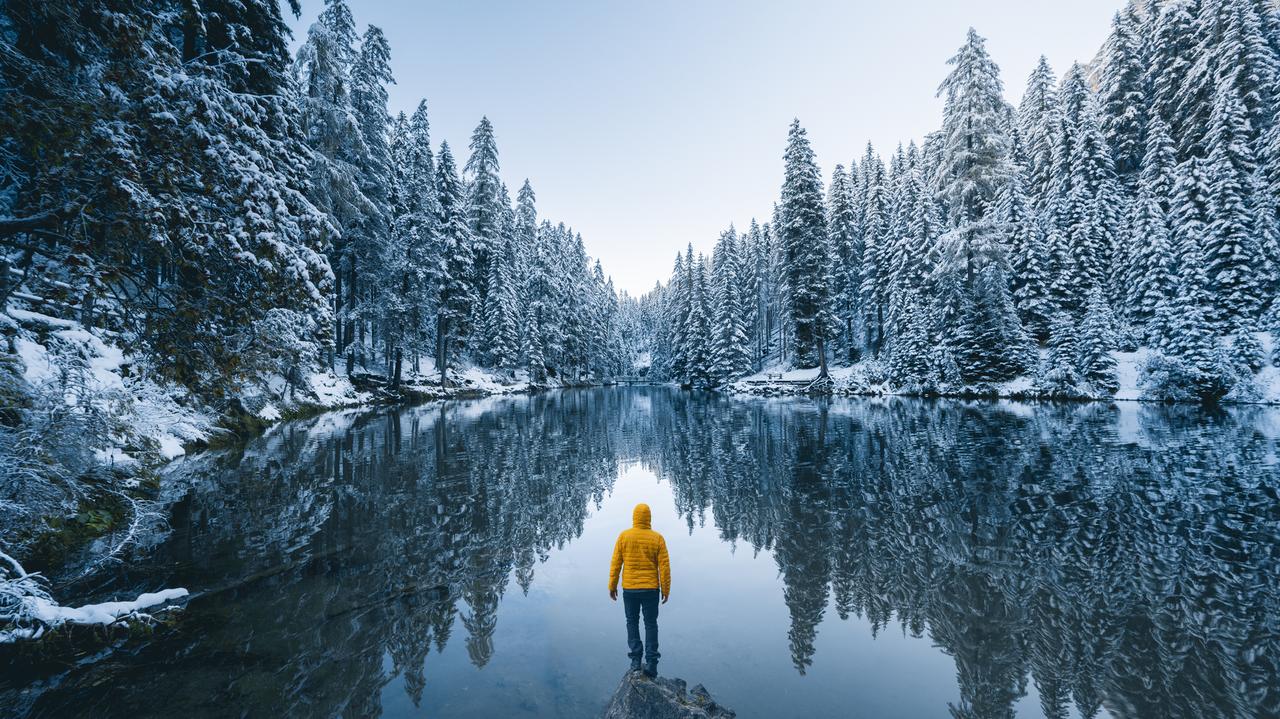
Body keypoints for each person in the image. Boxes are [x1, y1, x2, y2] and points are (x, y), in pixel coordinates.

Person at [608, 503, 671, 677]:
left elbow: (615, 564)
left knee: (632, 622)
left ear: (634, 517)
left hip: (630, 589)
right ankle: (651, 663)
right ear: (649, 518)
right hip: (651, 589)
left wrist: (612, 586)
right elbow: (664, 568)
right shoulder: (657, 538)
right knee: (651, 624)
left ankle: (636, 661)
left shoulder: (624, 536)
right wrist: (666, 589)